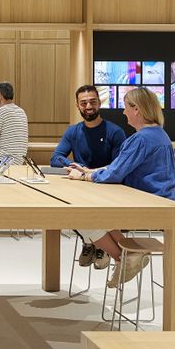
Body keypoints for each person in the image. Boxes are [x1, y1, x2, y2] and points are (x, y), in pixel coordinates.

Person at [67, 86, 175, 288]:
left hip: (146, 203)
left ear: (136, 109)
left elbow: (115, 173)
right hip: (162, 201)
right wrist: (89, 172)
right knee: (93, 213)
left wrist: (84, 177)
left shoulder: (141, 139)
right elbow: (119, 166)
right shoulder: (159, 135)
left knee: (80, 217)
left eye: (126, 107)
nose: (123, 112)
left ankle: (122, 258)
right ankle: (129, 255)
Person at [52, 85, 126, 270]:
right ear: (78, 106)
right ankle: (91, 241)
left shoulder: (115, 132)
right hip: (80, 187)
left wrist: (90, 172)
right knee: (64, 206)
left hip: (108, 187)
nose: (88, 106)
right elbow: (56, 158)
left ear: (99, 102)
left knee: (89, 211)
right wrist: (75, 168)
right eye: (83, 103)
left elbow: (119, 166)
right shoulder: (73, 131)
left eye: (92, 102)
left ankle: (98, 244)